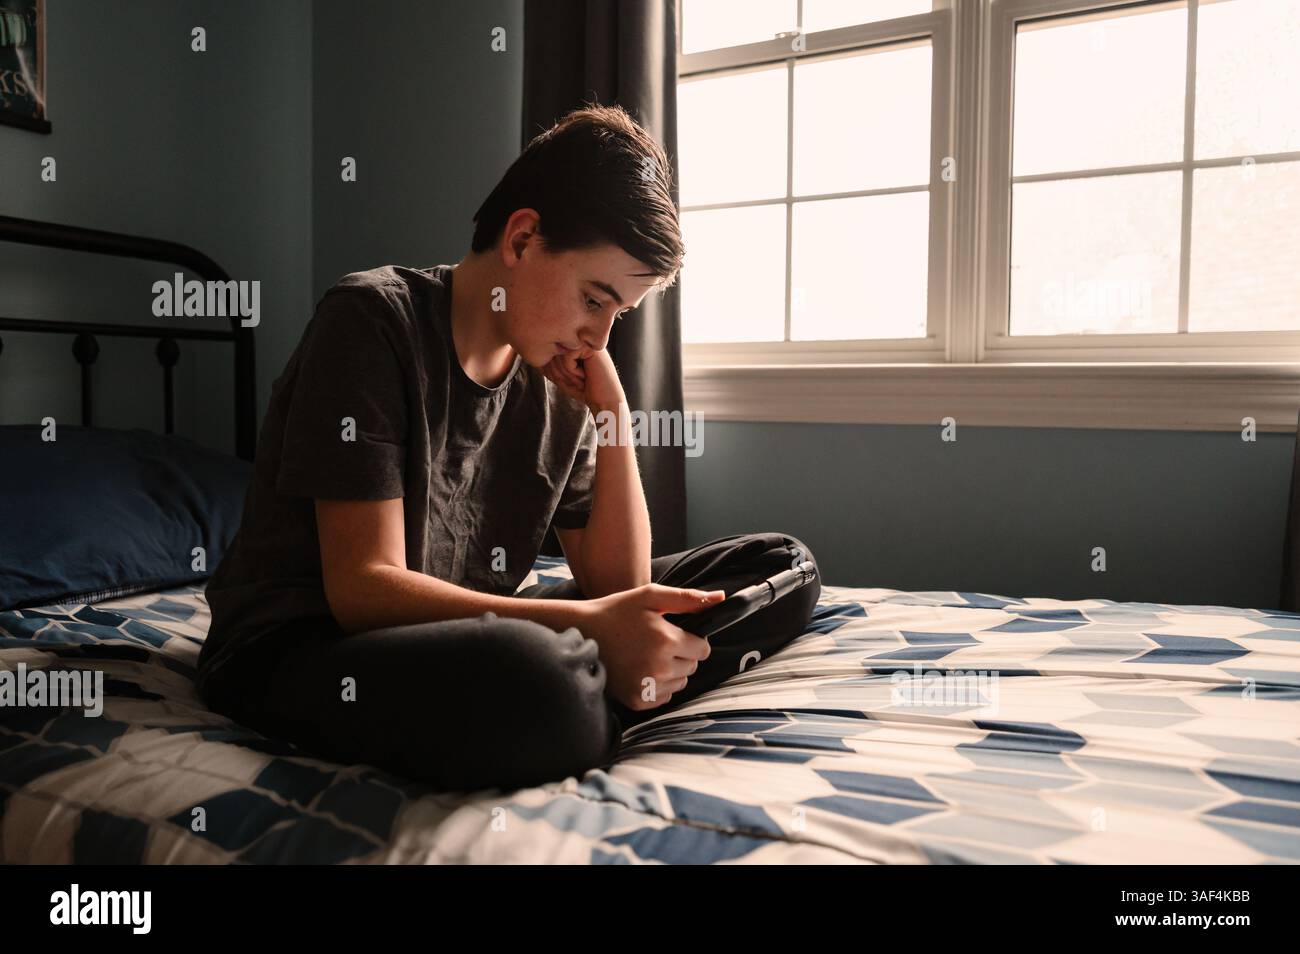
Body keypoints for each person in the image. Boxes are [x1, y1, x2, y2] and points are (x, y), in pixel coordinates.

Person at [195, 103, 820, 792]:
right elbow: (363, 590)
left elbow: (620, 586)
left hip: (463, 625)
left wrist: (612, 414)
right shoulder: (370, 322)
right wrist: (589, 626)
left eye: (618, 316)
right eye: (593, 299)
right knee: (544, 687)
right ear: (522, 240)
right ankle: (602, 685)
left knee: (781, 568)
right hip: (302, 644)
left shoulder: (558, 375)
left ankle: (606, 677)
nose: (599, 338)